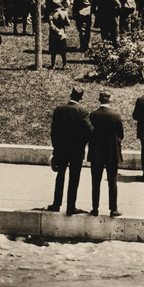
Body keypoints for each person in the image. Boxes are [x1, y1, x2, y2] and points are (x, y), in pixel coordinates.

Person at [48, 86, 93, 215]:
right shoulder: (83, 112)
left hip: (61, 150)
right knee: (74, 178)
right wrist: (82, 143)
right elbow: (90, 131)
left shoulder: (59, 110)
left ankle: (56, 204)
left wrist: (56, 148)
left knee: (60, 176)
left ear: (70, 94)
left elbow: (54, 132)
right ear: (81, 98)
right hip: (76, 151)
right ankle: (71, 206)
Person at [87, 91, 124, 217]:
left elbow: (89, 133)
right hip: (112, 154)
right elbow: (121, 135)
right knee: (112, 182)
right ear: (110, 100)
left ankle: (95, 208)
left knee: (95, 182)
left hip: (96, 154)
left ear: (99, 100)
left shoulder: (93, 115)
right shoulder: (115, 115)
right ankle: (113, 209)